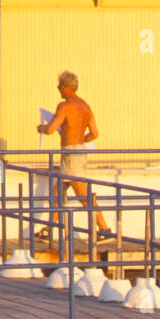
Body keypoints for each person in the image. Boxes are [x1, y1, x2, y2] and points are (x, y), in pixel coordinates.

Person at [37, 72, 112, 238]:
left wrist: (40, 128)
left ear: (65, 87)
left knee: (83, 195)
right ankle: (49, 229)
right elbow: (94, 133)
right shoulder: (85, 106)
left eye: (59, 87)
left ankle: (104, 230)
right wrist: (79, 138)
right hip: (79, 152)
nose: (58, 90)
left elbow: (50, 129)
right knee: (56, 193)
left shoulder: (64, 106)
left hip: (70, 155)